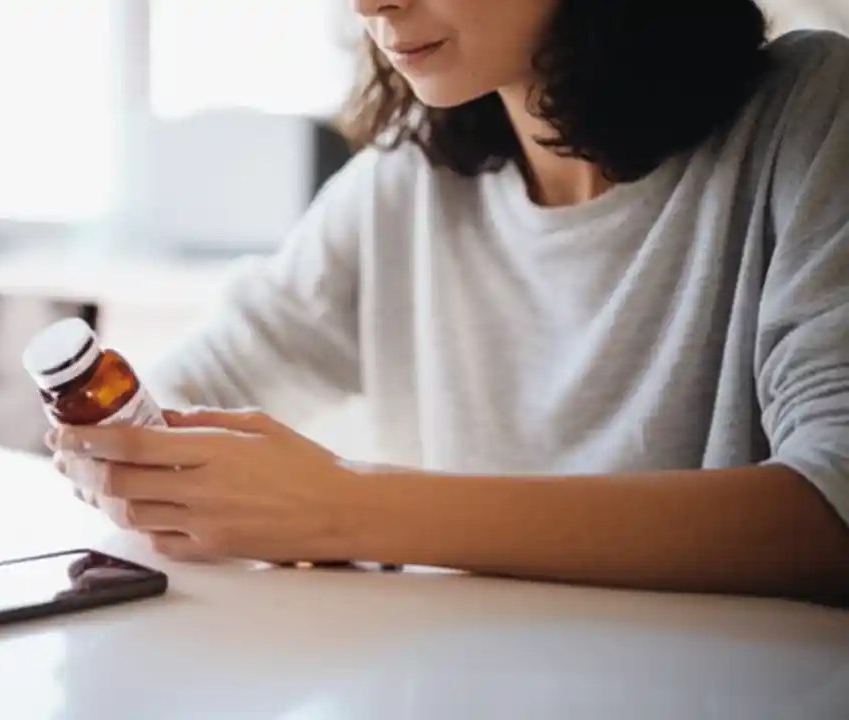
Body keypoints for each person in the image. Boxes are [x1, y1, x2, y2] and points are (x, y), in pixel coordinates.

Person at [50, 0, 849, 602]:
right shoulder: (406, 185)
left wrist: (347, 509)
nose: (370, 3)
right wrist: (125, 459)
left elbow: (829, 511)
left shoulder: (808, 112)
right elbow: (191, 386)